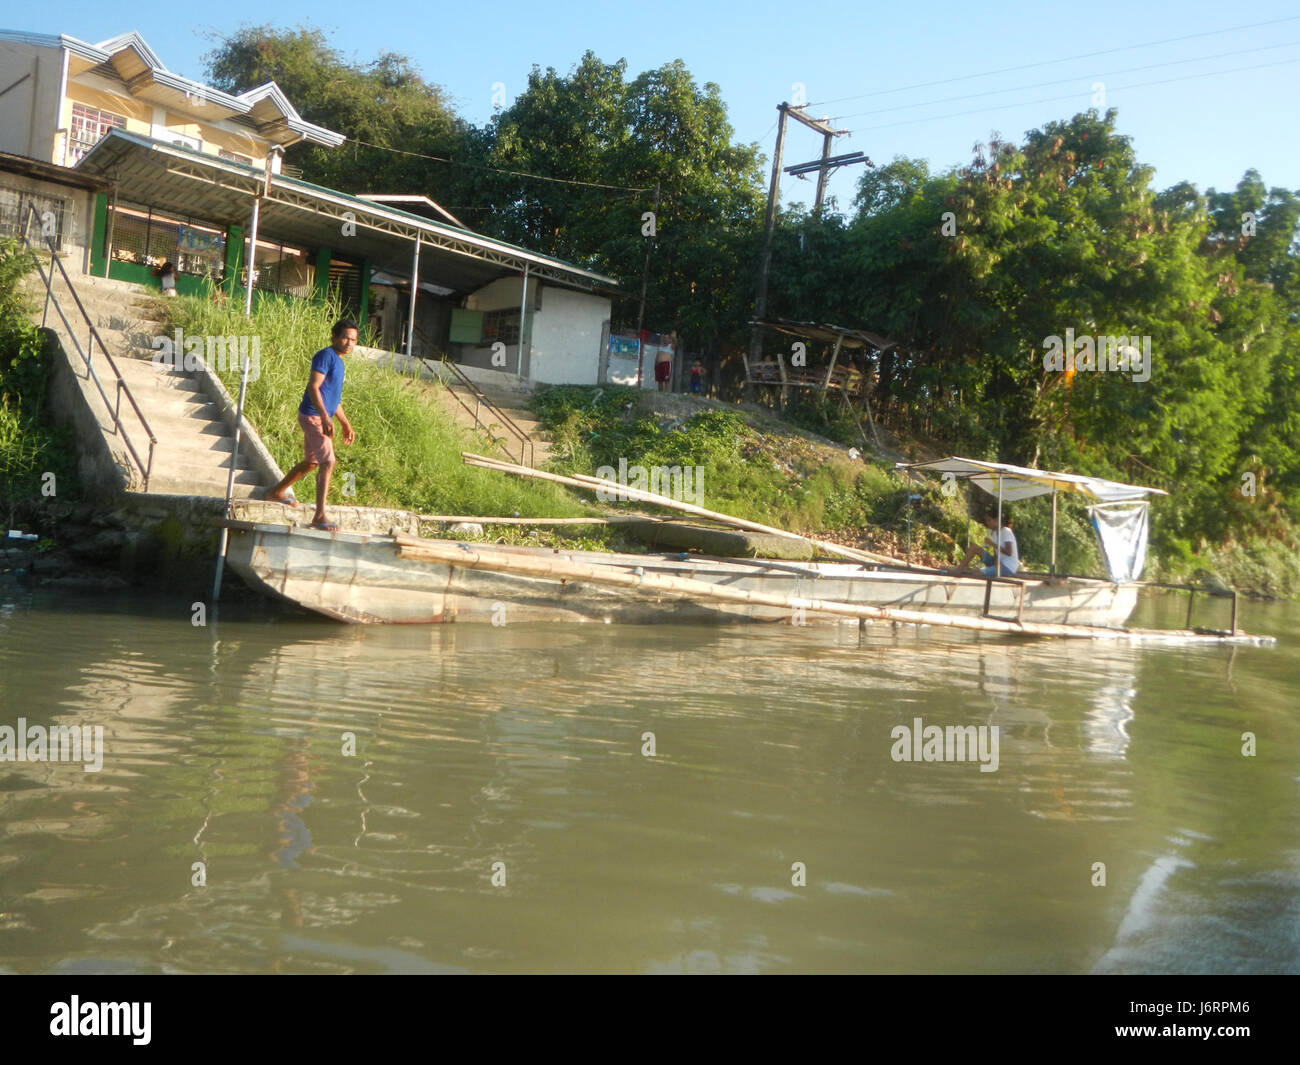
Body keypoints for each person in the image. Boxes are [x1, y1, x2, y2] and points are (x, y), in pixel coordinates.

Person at [265, 319, 358, 530]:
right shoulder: (326, 356)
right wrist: (325, 417)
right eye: (345, 337)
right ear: (333, 336)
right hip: (313, 416)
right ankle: (320, 515)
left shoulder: (339, 362)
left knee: (312, 462)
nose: (348, 343)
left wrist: (345, 423)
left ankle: (276, 492)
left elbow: (333, 398)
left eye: (353, 340)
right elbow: (313, 388)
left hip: (320, 416)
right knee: (328, 462)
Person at [955, 508, 1019, 577]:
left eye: (989, 520)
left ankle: (968, 572)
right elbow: (997, 553)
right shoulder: (994, 533)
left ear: (997, 520)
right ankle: (959, 569)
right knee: (974, 547)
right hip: (998, 563)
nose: (987, 523)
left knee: (976, 573)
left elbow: (1009, 552)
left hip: (1007, 567)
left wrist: (992, 544)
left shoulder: (1006, 531)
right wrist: (995, 561)